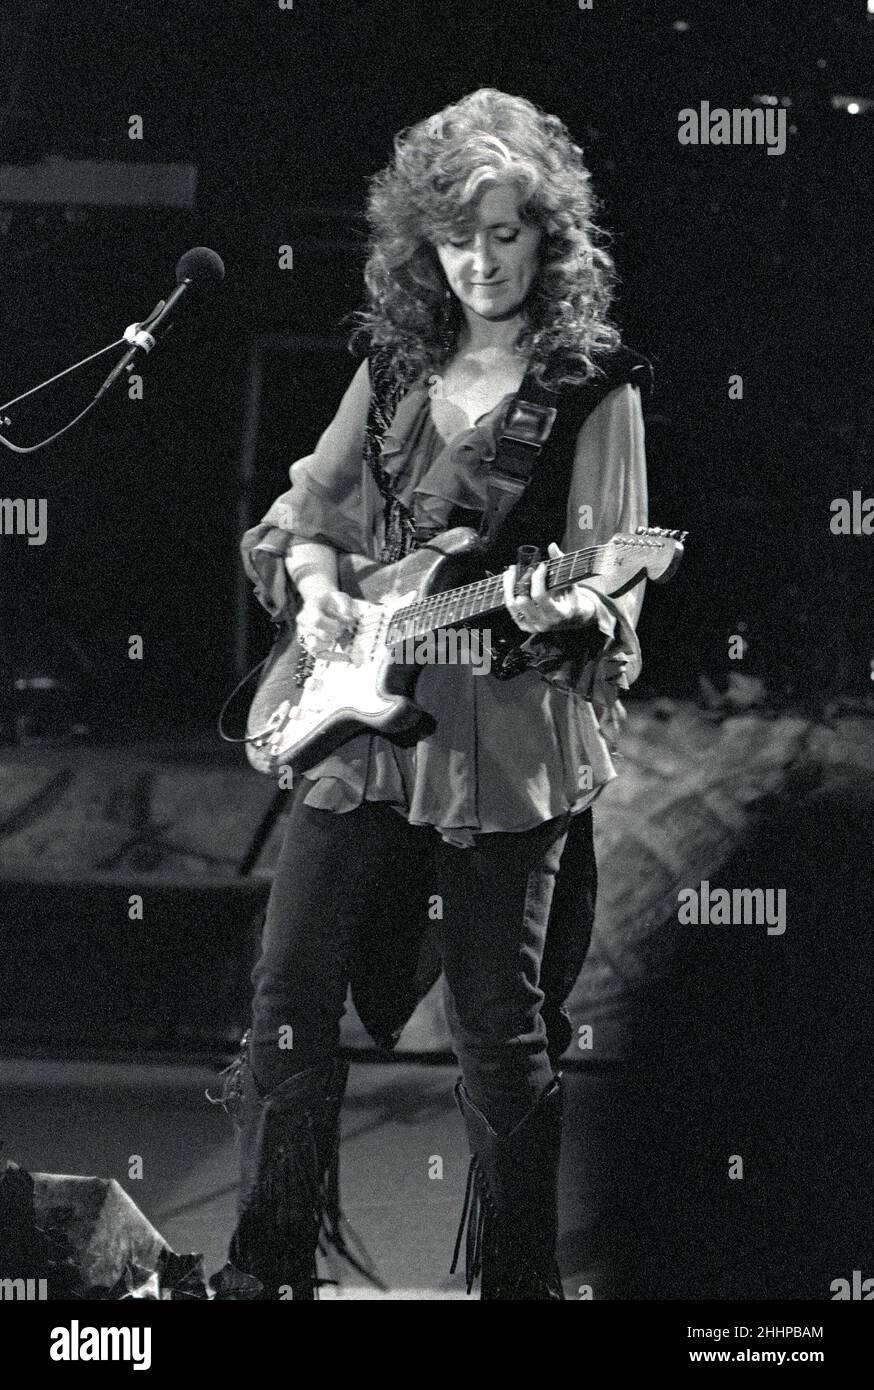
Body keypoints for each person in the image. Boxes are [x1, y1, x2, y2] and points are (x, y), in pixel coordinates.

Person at [210, 87, 649, 1301]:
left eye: (503, 233)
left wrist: (580, 604)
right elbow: (309, 515)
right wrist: (314, 593)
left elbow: (613, 572)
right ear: (424, 246)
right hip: (362, 728)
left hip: (502, 741)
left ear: (546, 239)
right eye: (455, 238)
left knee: (501, 1035)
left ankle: (516, 1283)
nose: (478, 259)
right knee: (288, 993)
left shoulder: (595, 387)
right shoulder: (393, 361)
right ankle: (267, 1265)